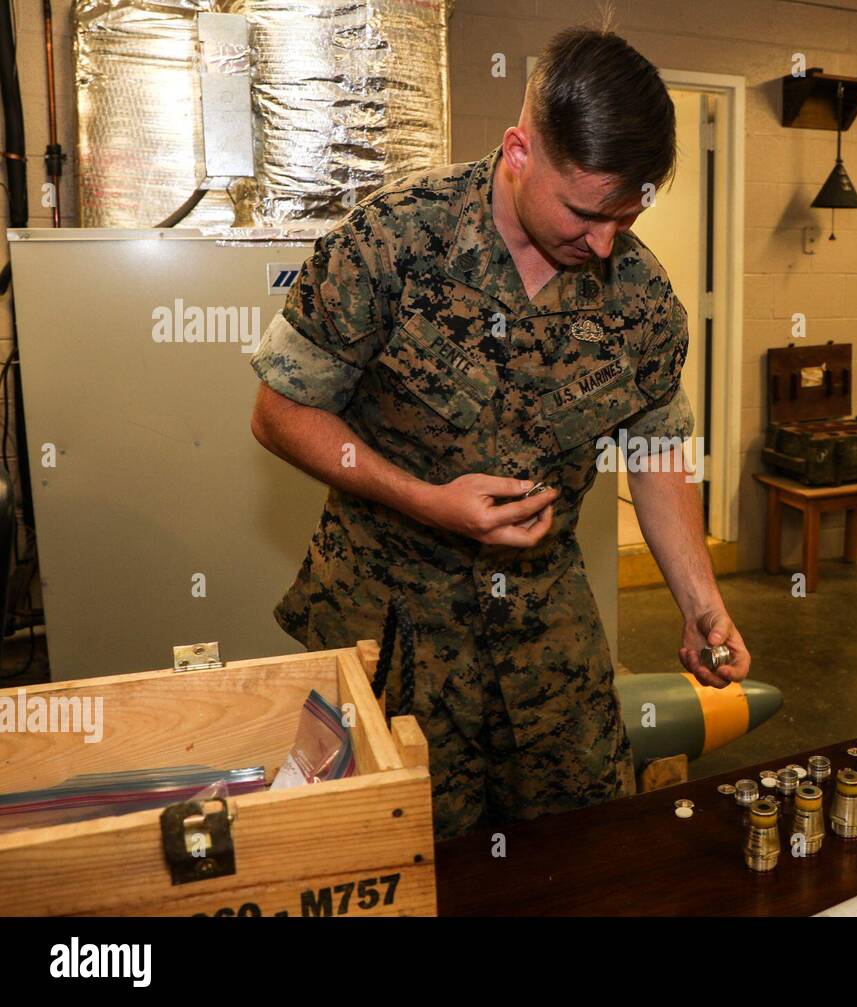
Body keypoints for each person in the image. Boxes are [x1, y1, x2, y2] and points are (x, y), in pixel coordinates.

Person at [249, 25, 749, 839]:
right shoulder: (392, 241)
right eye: (585, 212)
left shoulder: (641, 296)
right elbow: (280, 412)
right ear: (519, 149)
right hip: (390, 628)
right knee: (402, 853)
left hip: (546, 632)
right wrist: (426, 501)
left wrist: (701, 603)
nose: (603, 243)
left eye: (626, 216)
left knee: (586, 854)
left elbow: (655, 451)